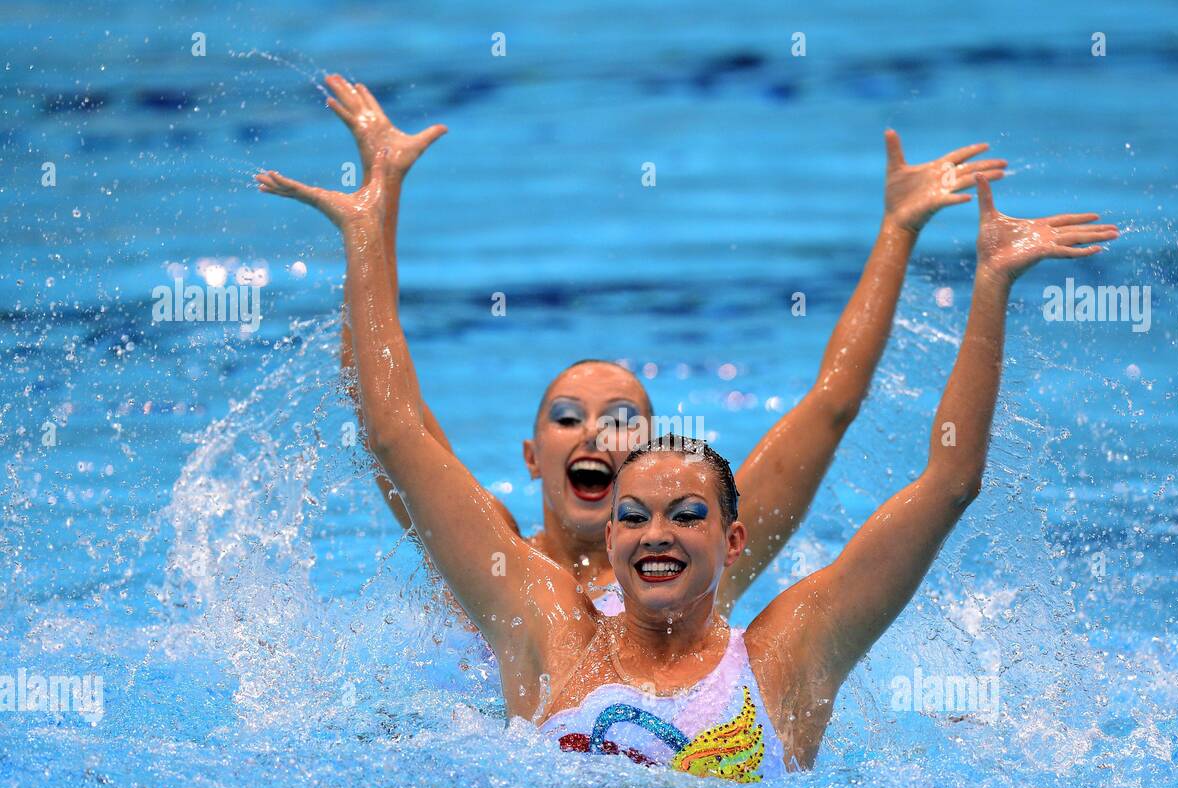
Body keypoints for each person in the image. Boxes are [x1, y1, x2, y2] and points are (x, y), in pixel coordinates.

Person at [256, 155, 1118, 780]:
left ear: (733, 537)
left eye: (683, 515)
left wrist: (989, 283)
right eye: (635, 516)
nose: (653, 533)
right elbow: (397, 436)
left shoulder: (787, 657)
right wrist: (369, 232)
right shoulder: (546, 623)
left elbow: (944, 478)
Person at [312, 74, 1007, 617]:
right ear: (531, 457)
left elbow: (832, 403)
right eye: (566, 417)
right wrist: (379, 203)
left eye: (619, 421)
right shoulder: (489, 560)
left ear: (648, 459)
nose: (593, 432)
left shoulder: (701, 567)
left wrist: (898, 228)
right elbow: (385, 411)